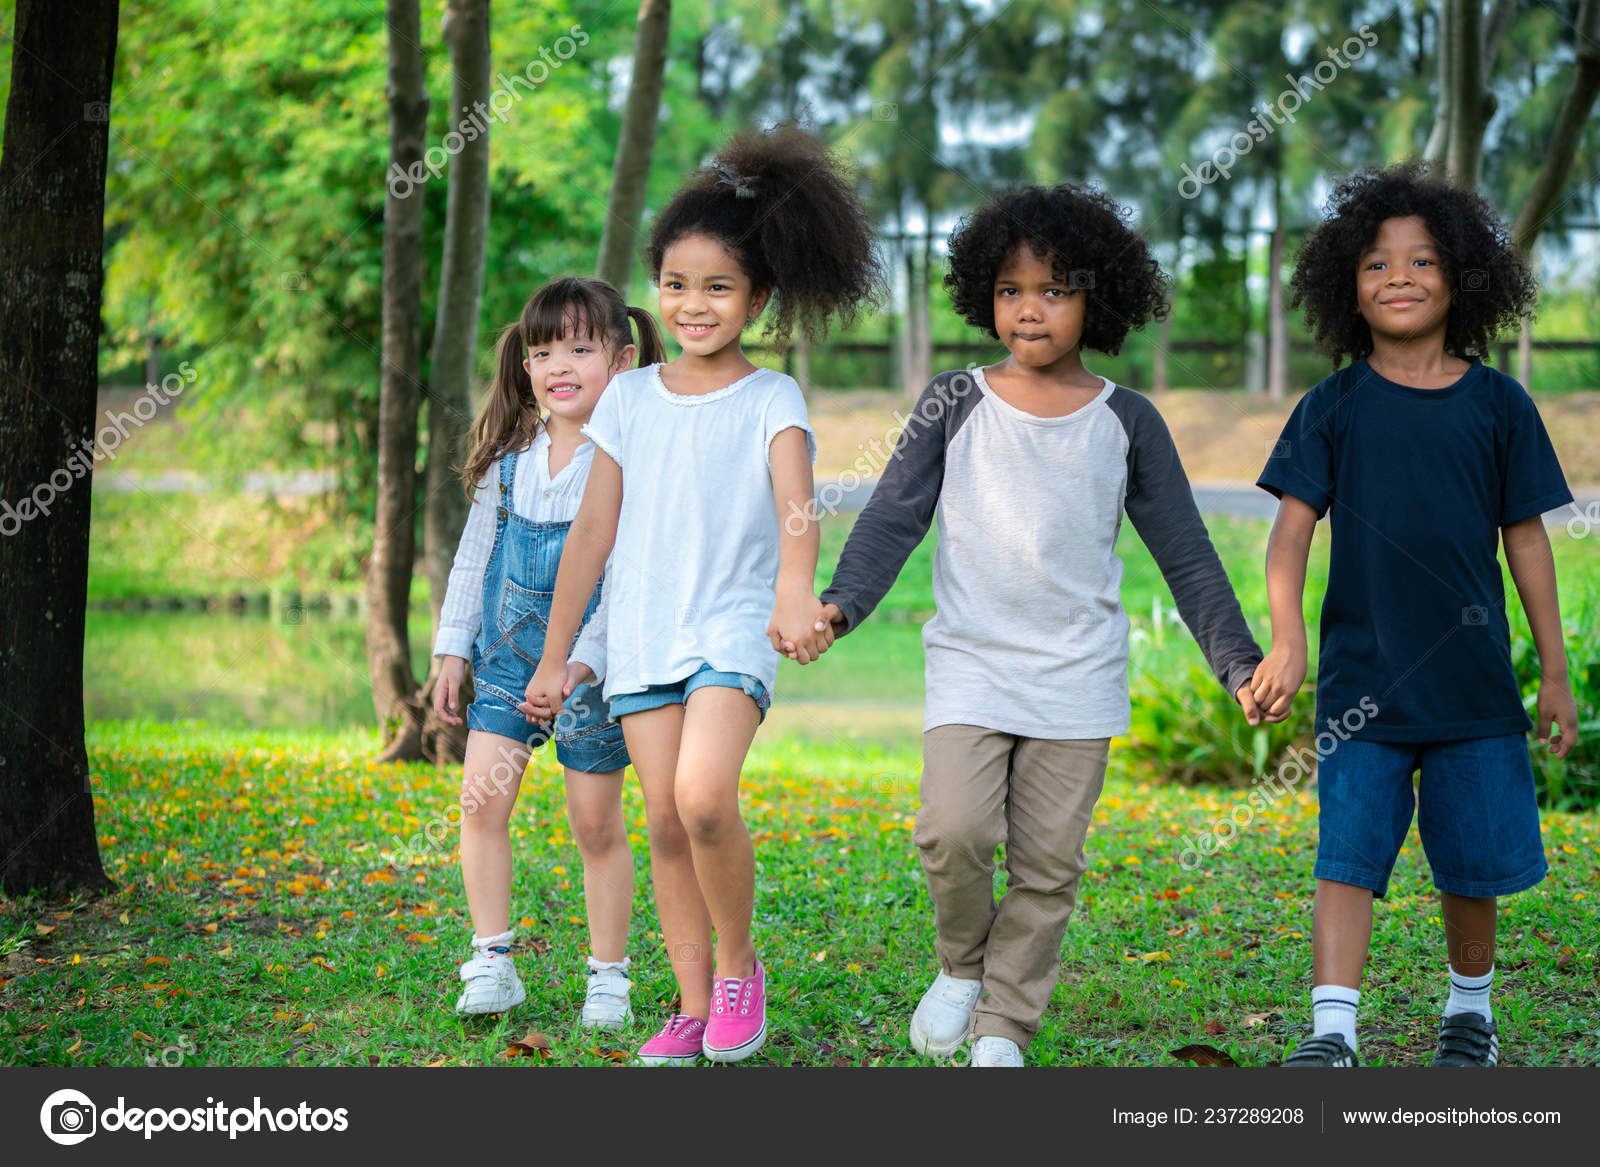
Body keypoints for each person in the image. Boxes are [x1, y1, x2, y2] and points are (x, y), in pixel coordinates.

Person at [796, 183, 1268, 1066]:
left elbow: (1187, 552)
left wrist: (1237, 662)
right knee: (953, 830)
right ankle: (961, 965)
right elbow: (895, 515)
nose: (1029, 308)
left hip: (1078, 674)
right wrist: (840, 601)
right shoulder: (955, 399)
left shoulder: (1128, 419)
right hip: (973, 661)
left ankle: (1004, 1023)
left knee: (1048, 866)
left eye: (1054, 290)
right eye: (1011, 289)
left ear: (1098, 298)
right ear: (985, 296)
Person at [521, 125, 884, 1065]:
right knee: (666, 822)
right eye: (676, 285)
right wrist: (558, 654)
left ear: (758, 297)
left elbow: (796, 508)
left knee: (704, 796)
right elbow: (592, 533)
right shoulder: (628, 399)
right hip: (642, 633)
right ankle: (689, 1005)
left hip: (732, 626)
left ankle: (737, 967)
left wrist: (796, 592)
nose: (693, 304)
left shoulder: (774, 396)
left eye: (718, 286)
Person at [1252, 161, 1579, 1067]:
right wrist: (1287, 639)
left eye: (1423, 260)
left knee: (1473, 866)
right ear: (1346, 291)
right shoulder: (1333, 406)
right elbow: (1288, 539)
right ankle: (1332, 1034)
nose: (1399, 276)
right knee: (1347, 856)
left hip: (1473, 694)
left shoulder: (1501, 404)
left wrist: (1554, 672)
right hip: (1363, 689)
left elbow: (1529, 545)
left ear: (1462, 278)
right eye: (1375, 265)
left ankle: (1469, 1012)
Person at [431, 277, 663, 1027]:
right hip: (503, 663)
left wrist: (573, 665)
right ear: (525, 367)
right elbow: (474, 561)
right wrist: (450, 653)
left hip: (589, 674)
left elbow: (619, 582)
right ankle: (492, 960)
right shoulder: (508, 462)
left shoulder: (626, 468)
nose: (559, 363)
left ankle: (608, 975)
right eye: (542, 350)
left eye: (580, 347)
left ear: (621, 363)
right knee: (481, 804)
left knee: (595, 824)